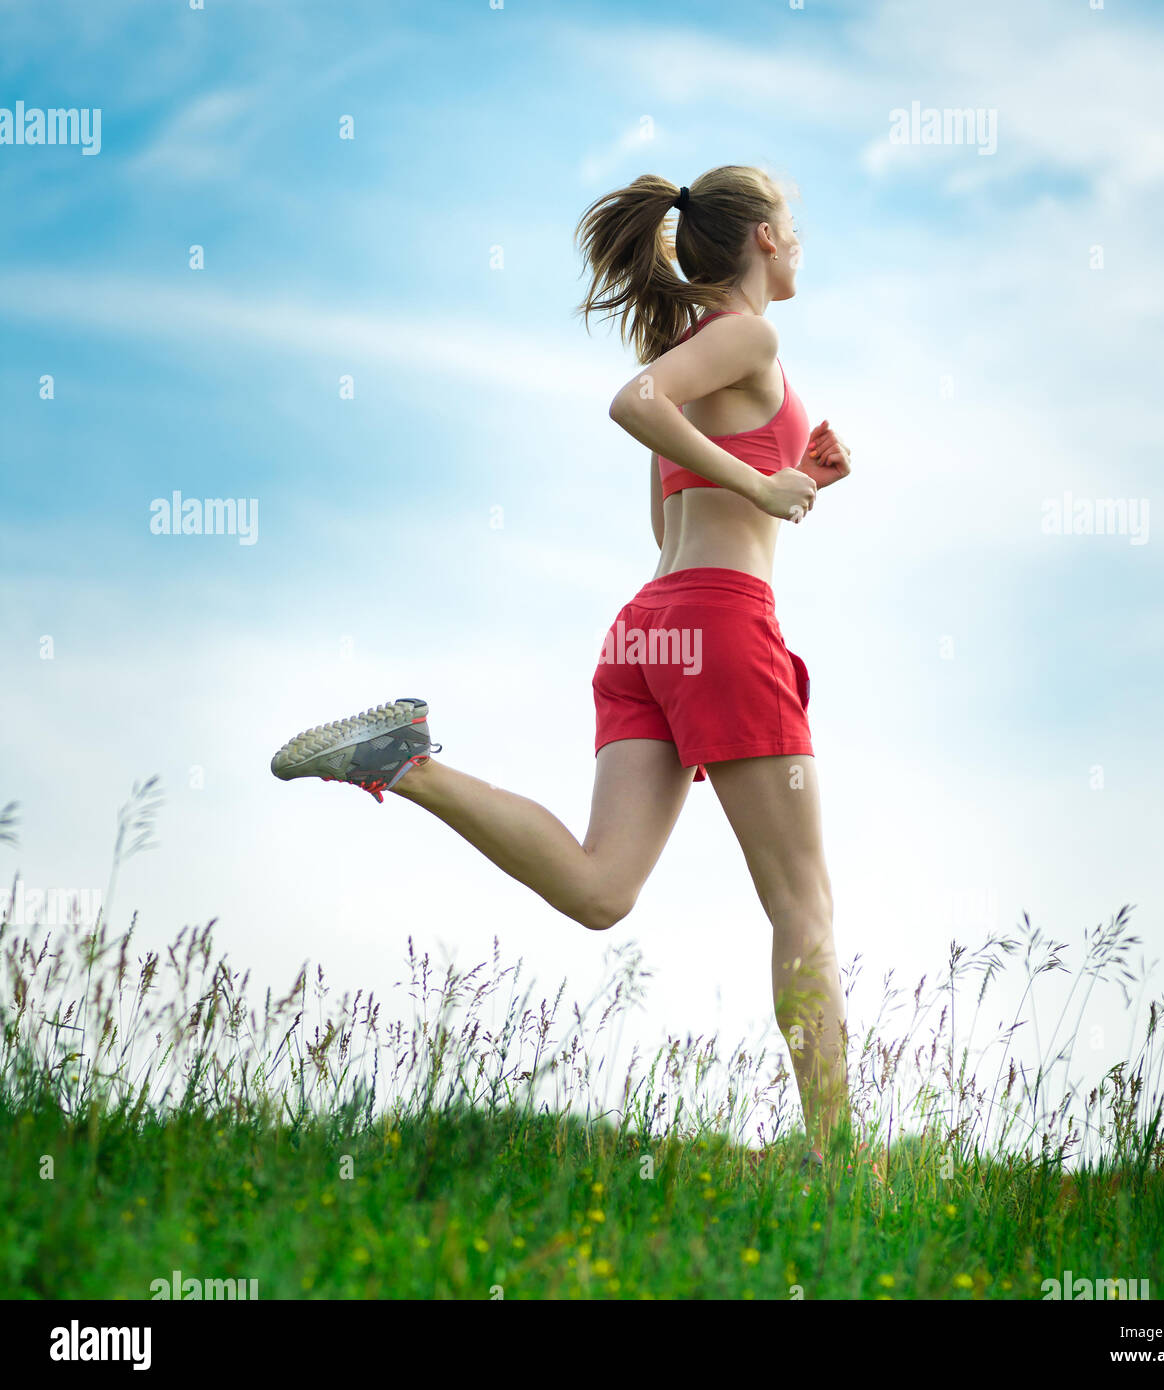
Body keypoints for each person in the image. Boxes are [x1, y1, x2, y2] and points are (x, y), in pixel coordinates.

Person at [270, 165, 854, 1161]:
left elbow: (664, 517)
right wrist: (763, 488)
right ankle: (836, 1163)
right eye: (791, 226)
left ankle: (403, 759)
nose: (800, 242)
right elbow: (631, 406)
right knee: (801, 902)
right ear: (759, 237)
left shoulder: (694, 349)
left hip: (648, 629)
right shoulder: (748, 336)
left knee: (599, 889)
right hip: (719, 620)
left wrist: (781, 482)